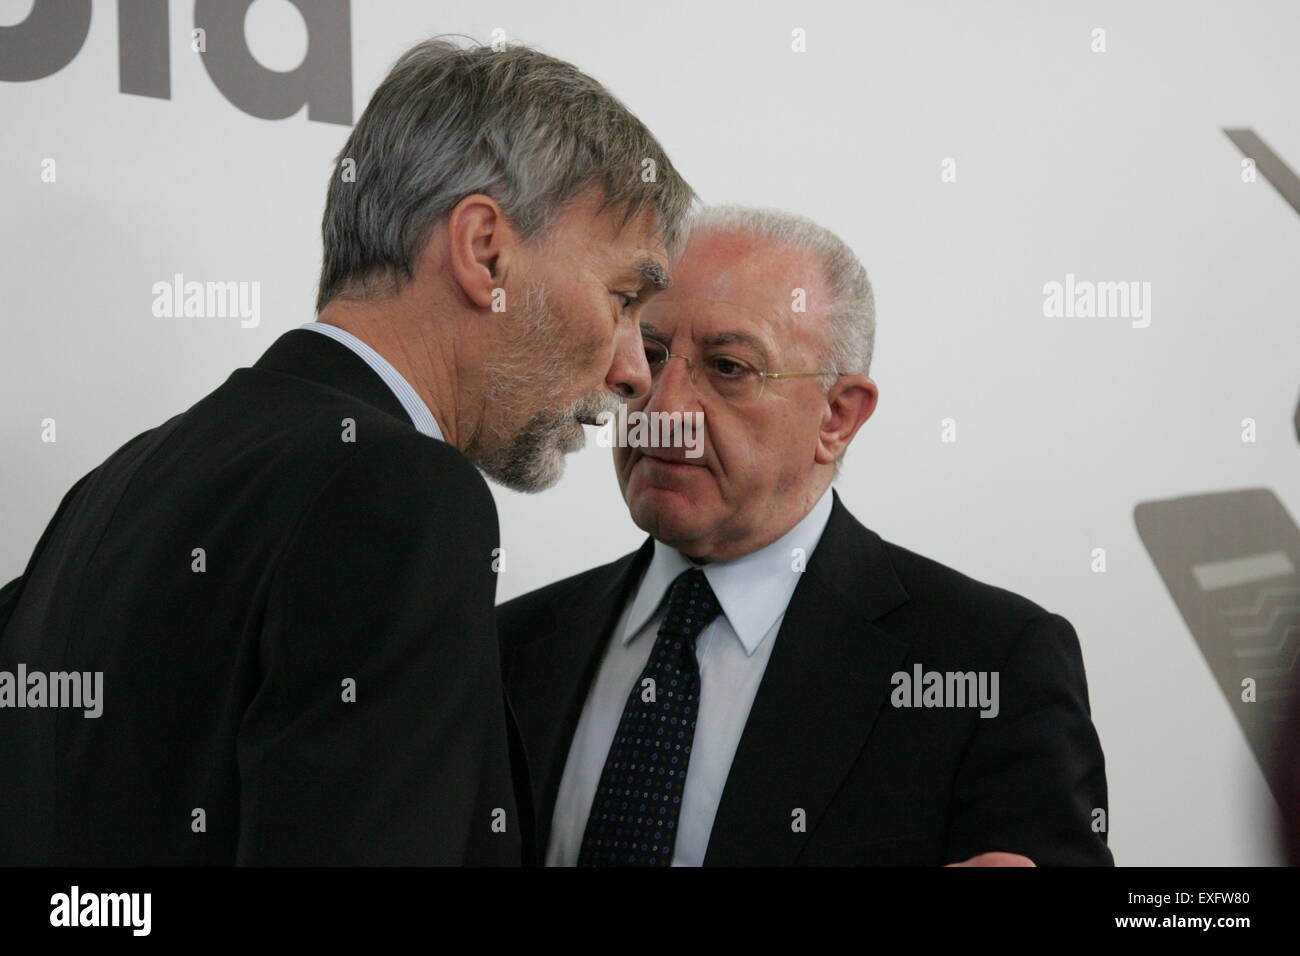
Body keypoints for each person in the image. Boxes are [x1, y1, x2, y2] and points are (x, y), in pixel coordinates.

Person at [0, 37, 692, 865]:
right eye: (623, 299)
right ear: (484, 250)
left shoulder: (114, 486)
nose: (632, 374)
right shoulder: (397, 492)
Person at [497, 206, 1113, 866]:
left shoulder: (987, 662)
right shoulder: (509, 648)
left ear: (838, 417)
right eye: (649, 355)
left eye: (729, 366)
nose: (664, 408)